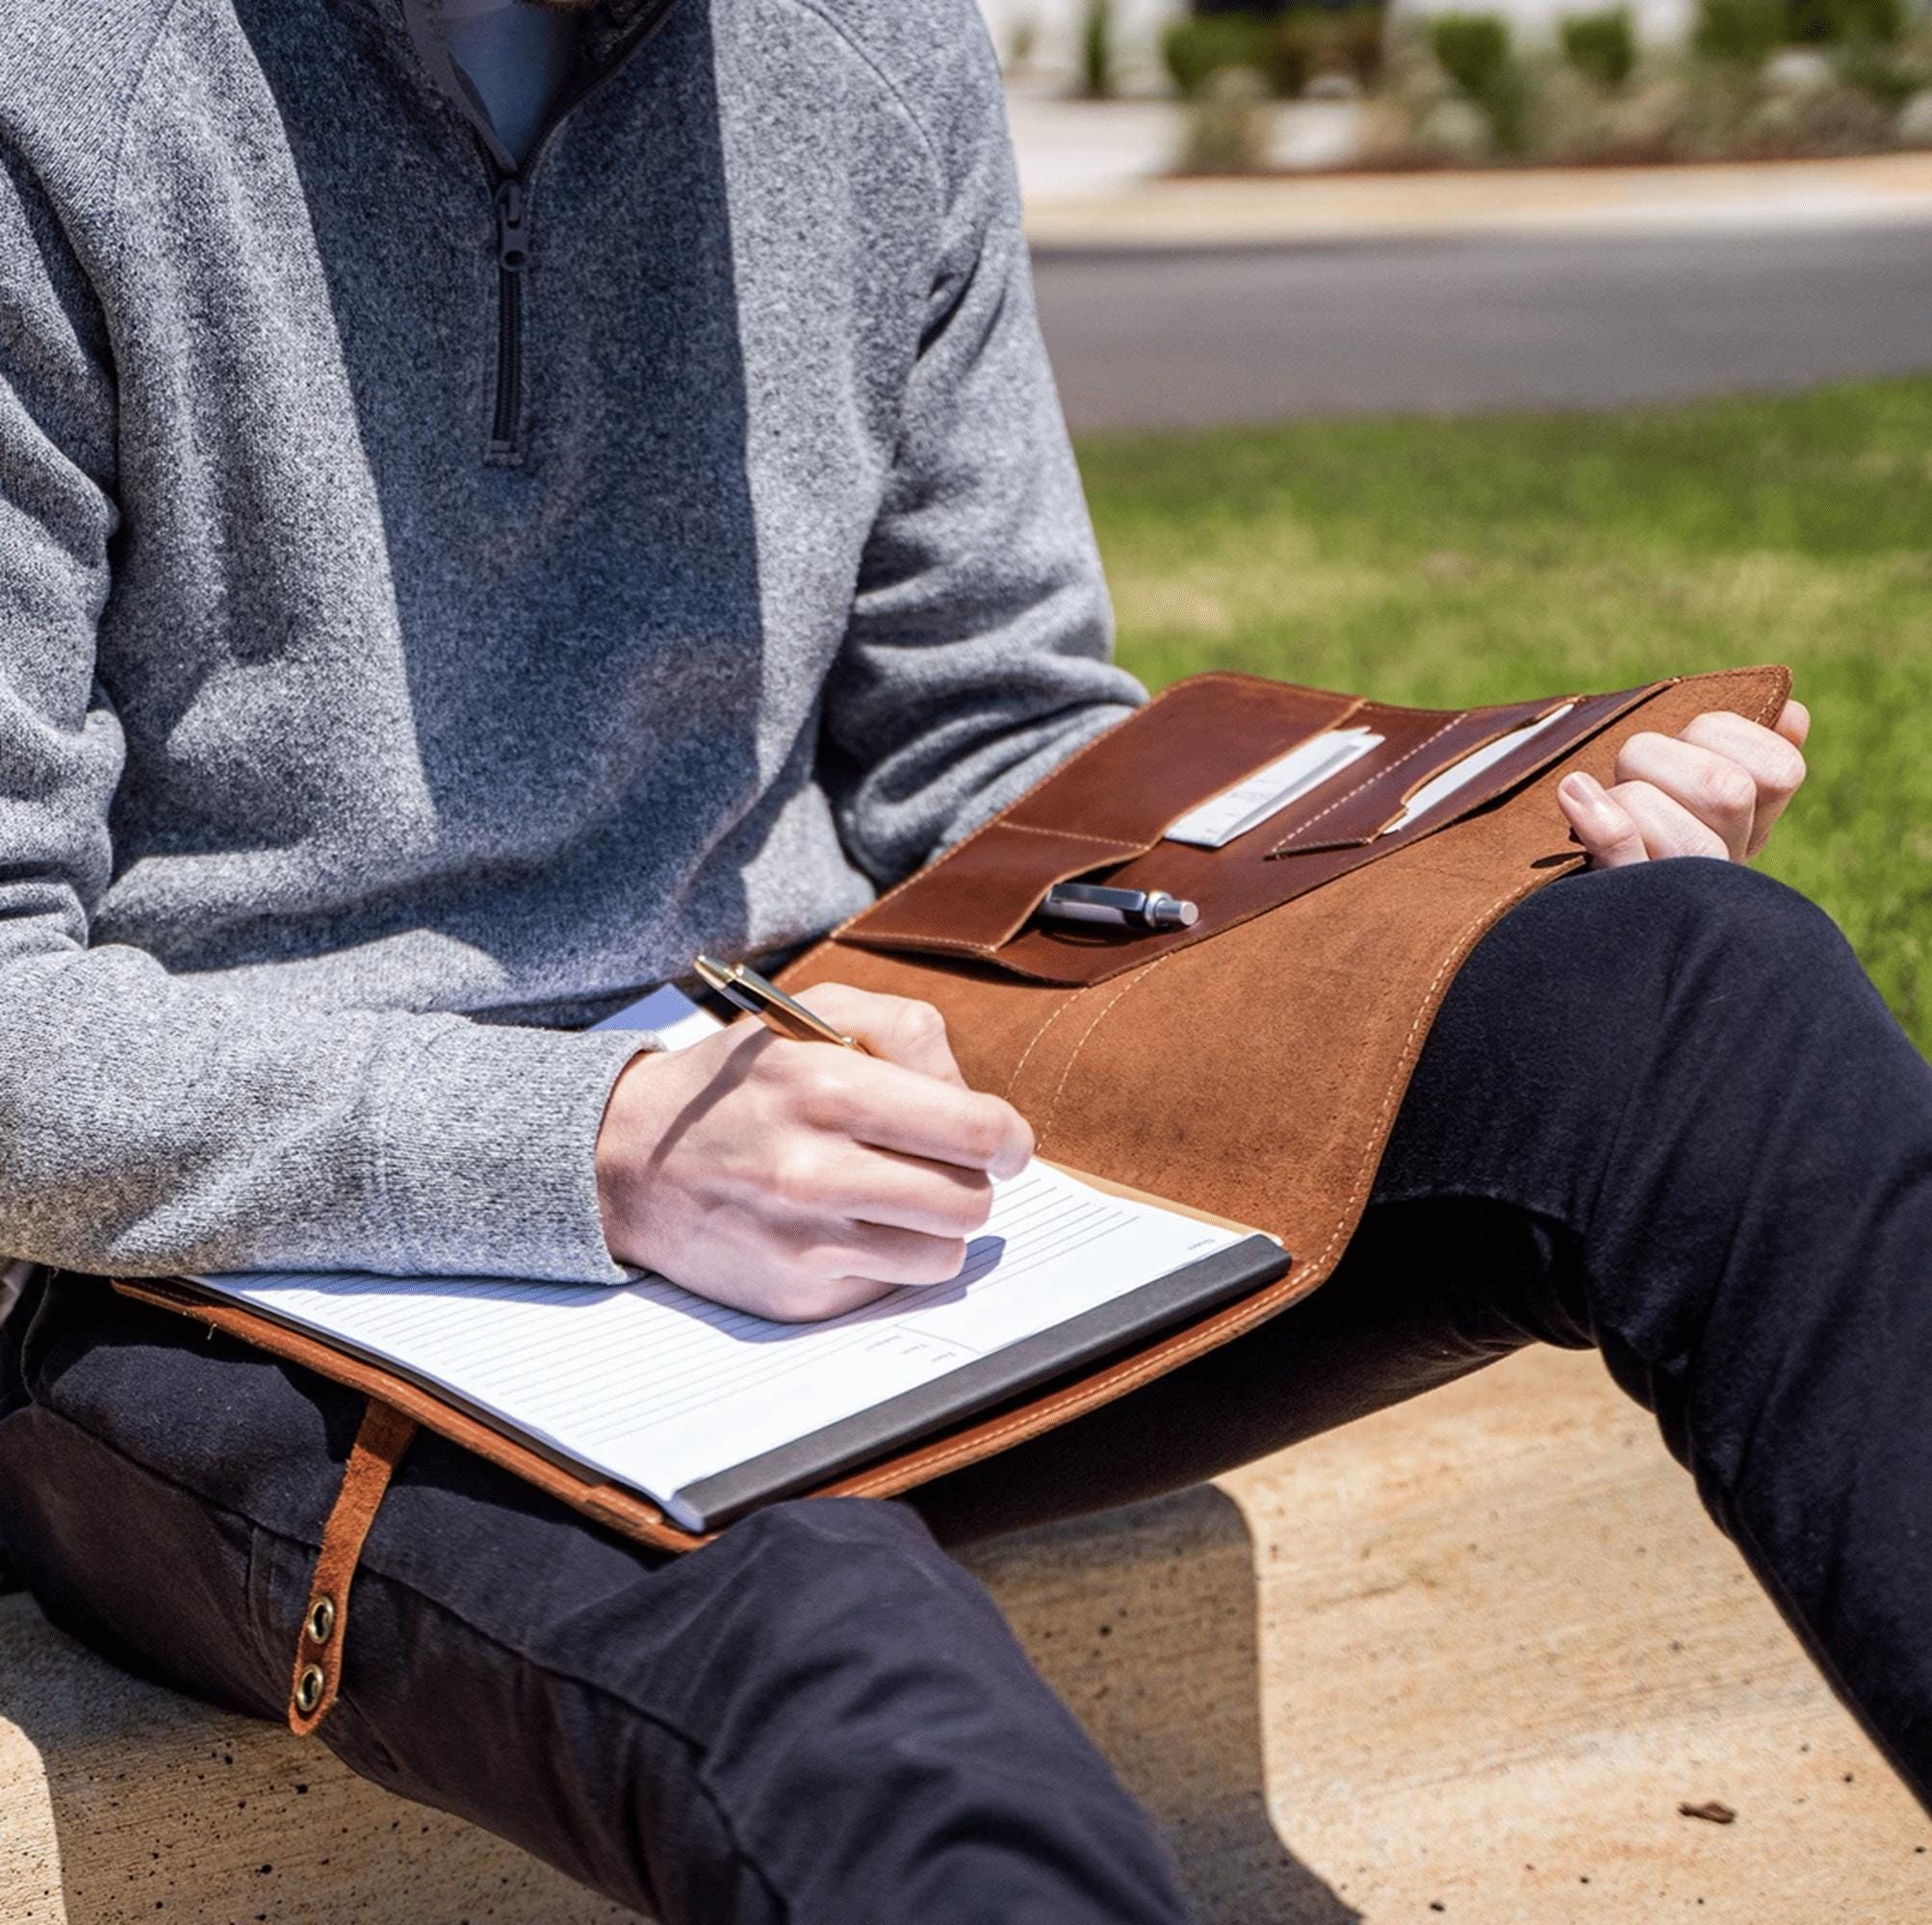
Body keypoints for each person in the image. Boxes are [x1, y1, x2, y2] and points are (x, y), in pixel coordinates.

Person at [0, 2, 1923, 1919]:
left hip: (829, 1147)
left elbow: (986, 745)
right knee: (831, 1644)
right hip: (226, 1279)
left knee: (1685, 991)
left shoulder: (860, 44)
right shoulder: (60, 85)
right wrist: (588, 1145)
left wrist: (1451, 866)